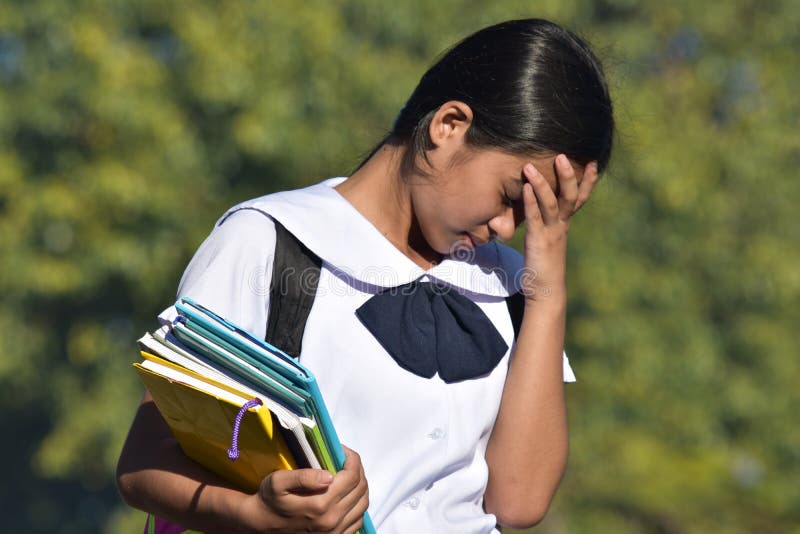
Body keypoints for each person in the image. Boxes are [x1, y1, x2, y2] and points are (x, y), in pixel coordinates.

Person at [116, 17, 614, 534]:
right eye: (511, 198)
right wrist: (253, 515)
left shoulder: (514, 283)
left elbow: (519, 502)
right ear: (448, 125)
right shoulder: (272, 241)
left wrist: (549, 273)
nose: (508, 229)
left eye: (534, 215)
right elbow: (141, 464)